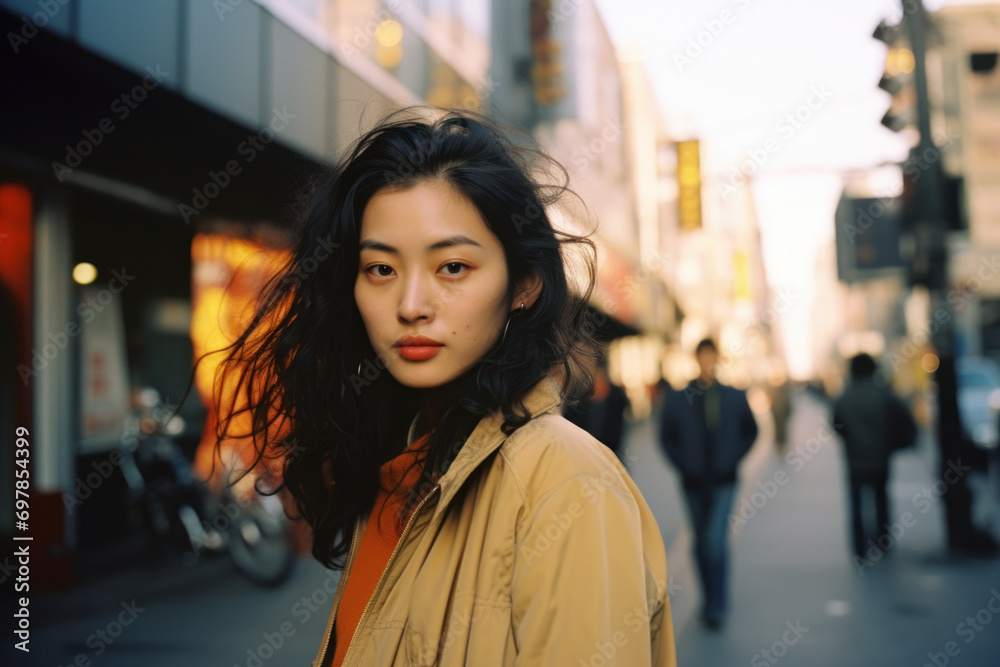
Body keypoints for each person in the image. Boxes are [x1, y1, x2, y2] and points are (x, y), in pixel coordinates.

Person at [201, 109, 677, 666]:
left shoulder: (565, 483)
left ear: (523, 284)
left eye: (452, 267)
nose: (410, 306)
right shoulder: (397, 467)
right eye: (381, 269)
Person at [658, 338, 758, 629]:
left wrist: (733, 458)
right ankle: (708, 598)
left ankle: (717, 604)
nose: (707, 362)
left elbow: (750, 430)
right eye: (702, 357)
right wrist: (683, 464)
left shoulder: (733, 395)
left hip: (724, 479)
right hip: (692, 481)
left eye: (711, 357)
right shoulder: (679, 396)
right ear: (696, 359)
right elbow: (666, 436)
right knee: (701, 541)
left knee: (715, 539)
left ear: (717, 359)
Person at [832, 353, 917, 561]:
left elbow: (837, 425)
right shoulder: (883, 395)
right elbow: (904, 418)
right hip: (881, 457)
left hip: (855, 460)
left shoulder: (845, 397)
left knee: (856, 506)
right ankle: (883, 541)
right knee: (881, 499)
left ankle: (860, 549)